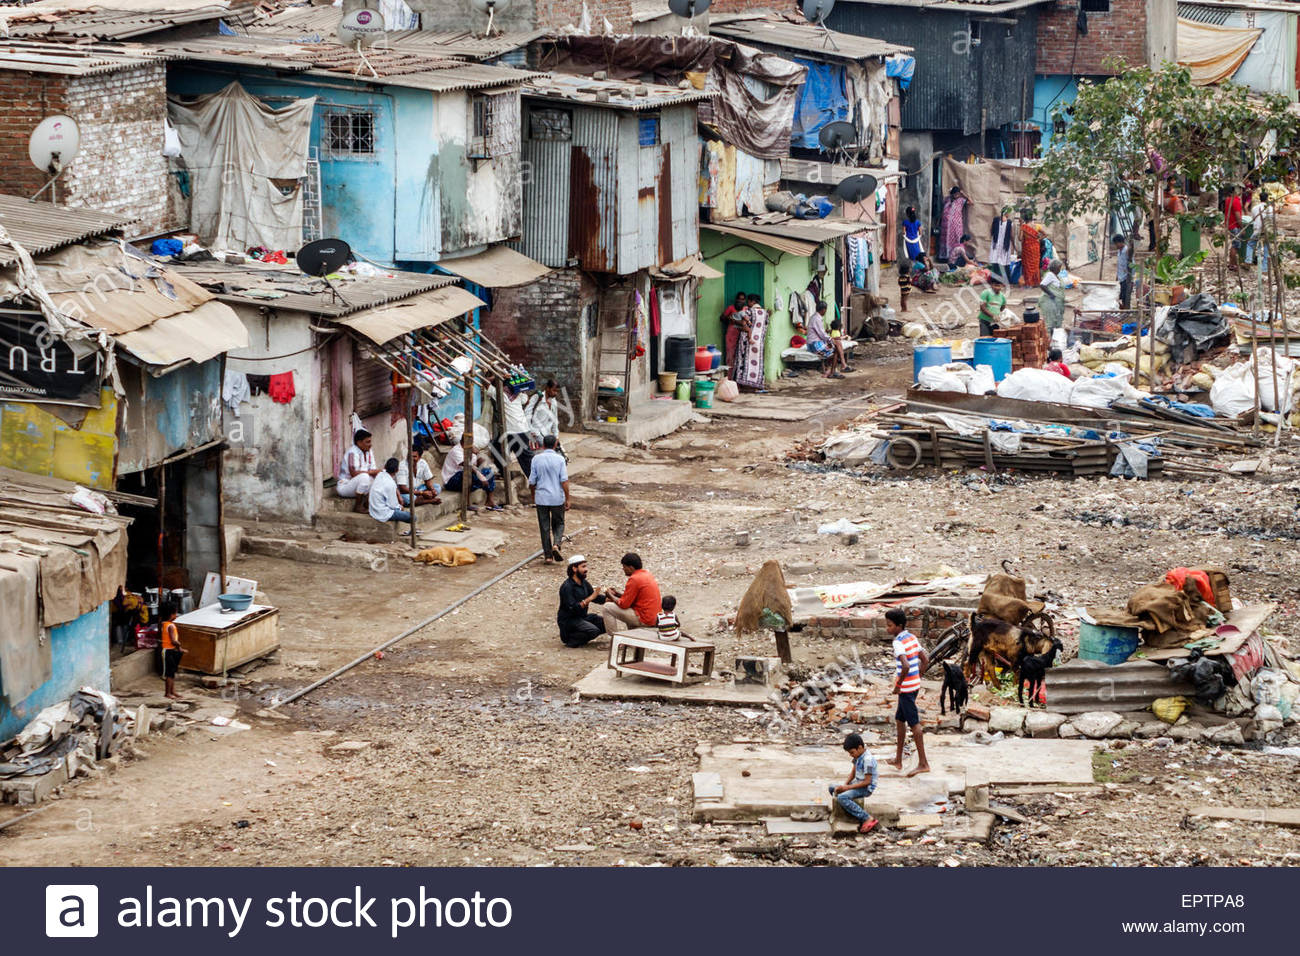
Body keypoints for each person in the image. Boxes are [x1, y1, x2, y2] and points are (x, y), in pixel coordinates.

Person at [885, 608, 930, 777]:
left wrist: (899, 685)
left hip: (906, 689)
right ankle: (898, 759)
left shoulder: (897, 643)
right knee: (899, 719)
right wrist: (917, 676)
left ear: (898, 625)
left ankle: (923, 763)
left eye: (889, 625)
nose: (887, 628)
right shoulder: (911, 637)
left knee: (914, 724)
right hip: (914, 685)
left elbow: (904, 665)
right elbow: (925, 659)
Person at [529, 434, 569, 563]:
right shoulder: (560, 459)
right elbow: (564, 481)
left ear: (543, 445)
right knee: (559, 523)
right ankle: (556, 544)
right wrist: (568, 498)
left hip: (542, 498)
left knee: (544, 526)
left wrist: (533, 495)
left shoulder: (536, 459)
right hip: (557, 498)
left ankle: (548, 556)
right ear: (556, 444)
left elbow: (532, 482)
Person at [830, 732, 879, 834]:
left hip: (865, 787)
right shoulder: (858, 756)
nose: (850, 755)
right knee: (831, 788)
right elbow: (853, 771)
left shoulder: (868, 760)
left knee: (841, 797)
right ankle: (843, 808)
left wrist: (846, 789)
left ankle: (867, 818)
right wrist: (845, 785)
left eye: (852, 752)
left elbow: (867, 781)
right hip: (857, 782)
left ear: (860, 747)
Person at [600, 552, 662, 633]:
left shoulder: (634, 579)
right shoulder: (646, 574)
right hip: (653, 616)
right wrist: (617, 594)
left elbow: (624, 604)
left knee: (607, 607)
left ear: (631, 567)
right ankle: (633, 638)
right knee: (629, 610)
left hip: (645, 618)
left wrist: (610, 595)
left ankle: (614, 638)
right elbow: (632, 599)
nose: (623, 569)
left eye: (624, 567)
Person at [557, 555, 606, 648]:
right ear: (574, 569)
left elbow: (596, 598)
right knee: (594, 630)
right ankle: (571, 640)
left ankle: (582, 634)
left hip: (582, 618)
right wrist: (590, 598)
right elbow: (573, 608)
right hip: (569, 621)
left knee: (606, 623)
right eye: (583, 567)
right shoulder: (567, 587)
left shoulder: (584, 583)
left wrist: (610, 597)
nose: (586, 569)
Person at [441, 440, 499, 511]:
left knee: (489, 472)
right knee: (468, 474)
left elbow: (479, 465)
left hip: (464, 475)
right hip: (451, 481)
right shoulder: (456, 451)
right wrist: (481, 476)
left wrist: (478, 454)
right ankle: (467, 504)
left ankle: (489, 501)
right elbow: (467, 466)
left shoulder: (470, 450)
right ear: (463, 442)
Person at [497, 383, 535, 483]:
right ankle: (536, 480)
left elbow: (487, 385)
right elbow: (525, 399)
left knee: (498, 450)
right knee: (526, 459)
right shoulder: (520, 395)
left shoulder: (500, 394)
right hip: (523, 430)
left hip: (512, 432)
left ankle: (536, 481)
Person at [337, 428, 379, 511]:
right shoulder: (352, 452)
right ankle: (358, 505)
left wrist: (377, 473)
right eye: (367, 442)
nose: (370, 444)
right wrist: (371, 472)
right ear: (359, 443)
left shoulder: (369, 451)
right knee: (364, 476)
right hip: (346, 486)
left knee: (380, 477)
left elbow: (374, 470)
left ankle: (368, 503)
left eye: (370, 441)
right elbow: (353, 473)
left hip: (360, 486)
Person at [734, 293, 768, 390]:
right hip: (759, 343)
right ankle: (756, 385)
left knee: (743, 361)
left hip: (746, 342)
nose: (747, 303)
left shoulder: (748, 312)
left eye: (748, 301)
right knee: (757, 363)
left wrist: (736, 321)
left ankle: (744, 384)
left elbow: (744, 325)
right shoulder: (765, 313)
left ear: (752, 302)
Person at [369, 458, 412, 529]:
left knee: (403, 500)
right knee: (412, 517)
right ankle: (411, 530)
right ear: (397, 470)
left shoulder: (380, 474)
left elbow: (394, 488)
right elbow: (393, 505)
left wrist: (399, 496)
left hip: (373, 509)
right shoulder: (390, 484)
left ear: (385, 467)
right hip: (382, 513)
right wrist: (400, 507)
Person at [527, 379, 563, 455]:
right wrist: (532, 431)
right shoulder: (537, 397)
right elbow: (527, 414)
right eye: (554, 390)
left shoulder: (553, 402)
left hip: (546, 435)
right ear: (547, 388)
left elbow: (554, 420)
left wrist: (556, 436)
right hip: (536, 435)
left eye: (557, 391)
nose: (555, 393)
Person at [802, 300, 837, 377]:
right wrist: (831, 339)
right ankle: (832, 372)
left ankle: (829, 370)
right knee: (834, 351)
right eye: (825, 310)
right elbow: (822, 334)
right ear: (823, 309)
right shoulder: (817, 319)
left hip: (812, 344)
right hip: (814, 345)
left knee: (832, 347)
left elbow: (821, 334)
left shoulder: (814, 317)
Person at [160, 601, 183, 701]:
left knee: (172, 672)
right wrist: (179, 645)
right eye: (175, 613)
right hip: (168, 651)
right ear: (171, 614)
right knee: (170, 673)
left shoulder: (164, 624)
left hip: (170, 651)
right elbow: (174, 641)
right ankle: (168, 693)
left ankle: (172, 691)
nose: (176, 615)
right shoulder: (170, 626)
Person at [939, 186, 969, 264]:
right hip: (945, 224)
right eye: (955, 194)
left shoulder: (961, 200)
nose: (957, 195)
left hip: (956, 225)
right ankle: (945, 257)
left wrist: (963, 194)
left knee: (957, 238)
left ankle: (956, 257)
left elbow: (971, 202)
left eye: (958, 194)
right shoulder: (947, 199)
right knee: (945, 240)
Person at [721, 292, 747, 381]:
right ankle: (730, 378)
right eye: (739, 298)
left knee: (741, 356)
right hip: (731, 335)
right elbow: (722, 318)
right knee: (730, 356)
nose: (740, 301)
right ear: (736, 299)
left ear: (745, 301)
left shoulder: (746, 309)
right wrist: (729, 318)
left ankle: (740, 379)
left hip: (742, 335)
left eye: (742, 299)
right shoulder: (730, 308)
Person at [989, 207, 1016, 285]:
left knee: (995, 261)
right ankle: (1004, 280)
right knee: (1004, 262)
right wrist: (1014, 245)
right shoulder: (1009, 222)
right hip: (1005, 245)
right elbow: (1011, 235)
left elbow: (991, 231)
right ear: (1006, 213)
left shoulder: (995, 220)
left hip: (995, 245)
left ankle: (995, 280)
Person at [1039, 258, 1066, 332]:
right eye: (1059, 268)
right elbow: (1042, 285)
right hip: (1049, 302)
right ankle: (1049, 339)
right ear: (1055, 268)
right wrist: (1051, 294)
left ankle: (1055, 338)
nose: (1060, 270)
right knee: (1050, 322)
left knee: (1056, 321)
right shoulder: (1050, 275)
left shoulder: (1057, 276)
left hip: (1056, 303)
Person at [1020, 212, 1042, 287]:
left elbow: (1020, 238)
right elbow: (1045, 234)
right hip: (1036, 247)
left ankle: (1029, 283)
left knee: (1028, 265)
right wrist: (1039, 239)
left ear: (1025, 219)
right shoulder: (1037, 226)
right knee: (1035, 265)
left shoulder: (1024, 227)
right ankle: (1036, 282)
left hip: (1027, 248)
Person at [1224, 185, 1244, 269]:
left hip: (1230, 225)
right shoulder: (1235, 201)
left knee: (1233, 244)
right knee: (1235, 246)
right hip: (1235, 226)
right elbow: (1238, 216)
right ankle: (1234, 264)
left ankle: (1231, 263)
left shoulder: (1228, 200)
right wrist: (1242, 227)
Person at [1114, 234, 1133, 311]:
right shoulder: (1119, 252)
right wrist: (1117, 277)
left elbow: (1132, 265)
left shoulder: (1127, 251)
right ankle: (1123, 309)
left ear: (1120, 242)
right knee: (1119, 296)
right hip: (1120, 278)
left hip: (1126, 278)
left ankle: (1126, 311)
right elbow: (1119, 265)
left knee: (1125, 297)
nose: (1115, 245)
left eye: (1116, 243)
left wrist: (1130, 277)